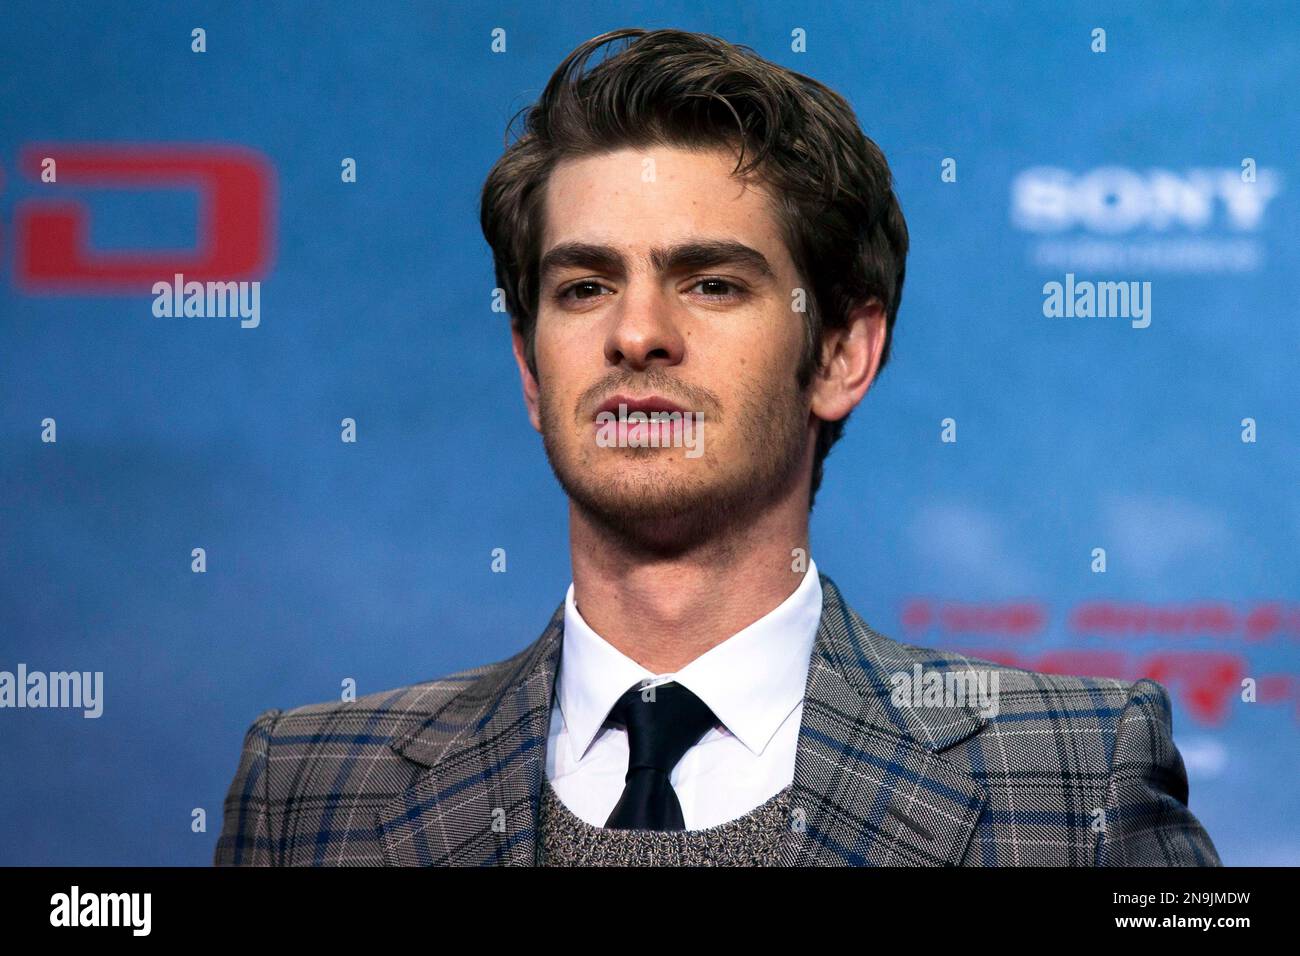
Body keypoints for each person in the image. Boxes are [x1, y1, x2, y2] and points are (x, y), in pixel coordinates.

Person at [214, 27, 1220, 866]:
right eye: (583, 286)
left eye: (711, 283)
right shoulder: (308, 791)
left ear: (839, 352)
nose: (636, 332)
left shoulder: (1073, 777)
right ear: (529, 367)